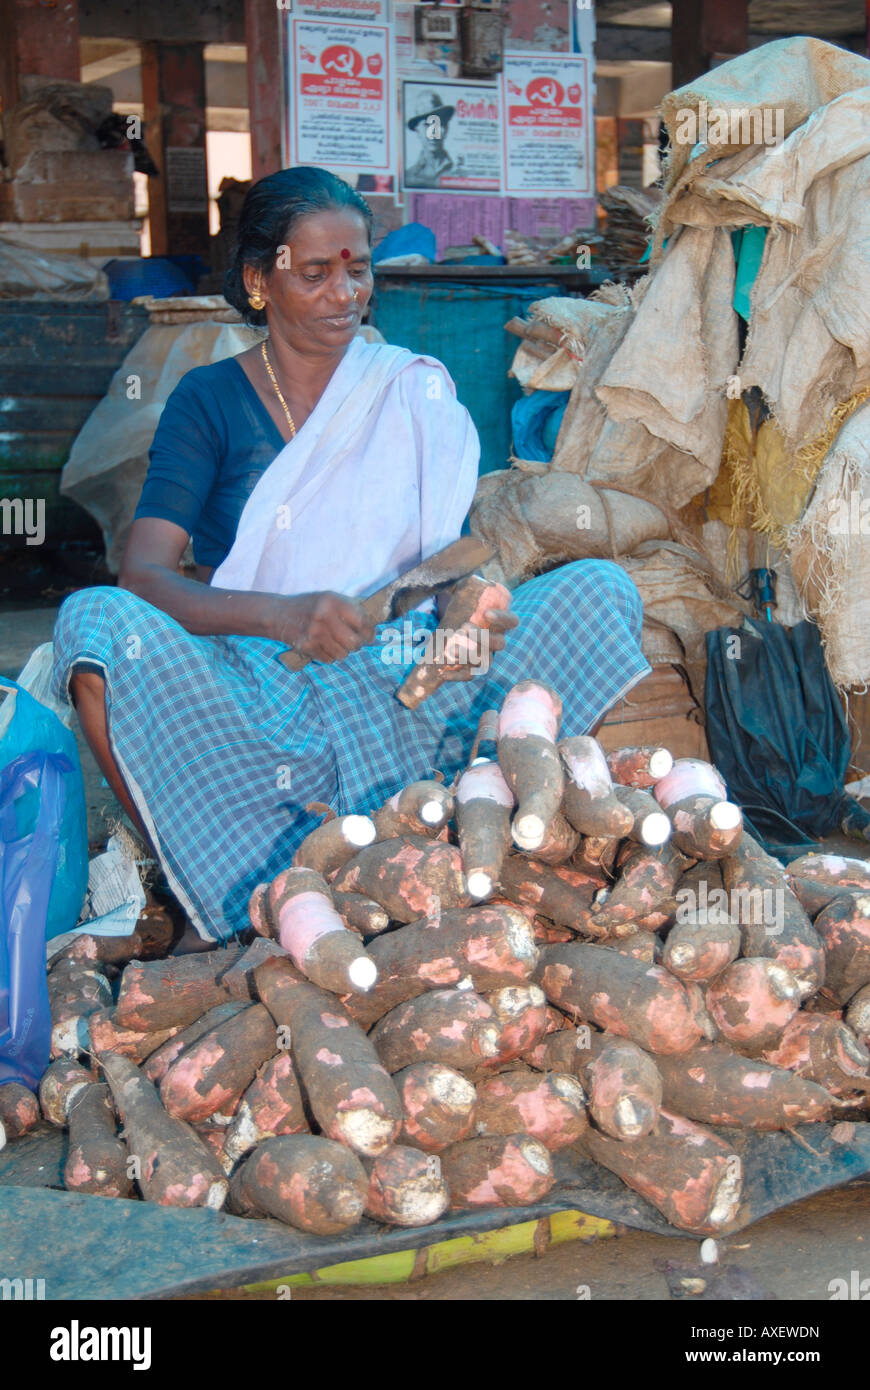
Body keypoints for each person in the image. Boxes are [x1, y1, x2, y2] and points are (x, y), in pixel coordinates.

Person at [52, 166, 650, 945]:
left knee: (599, 590)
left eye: (357, 270)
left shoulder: (407, 389)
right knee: (92, 622)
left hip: (400, 674)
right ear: (258, 279)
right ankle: (203, 878)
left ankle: (498, 823)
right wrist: (284, 617)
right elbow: (145, 576)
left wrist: (467, 605)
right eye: (315, 274)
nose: (345, 295)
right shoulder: (210, 400)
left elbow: (447, 559)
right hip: (262, 685)